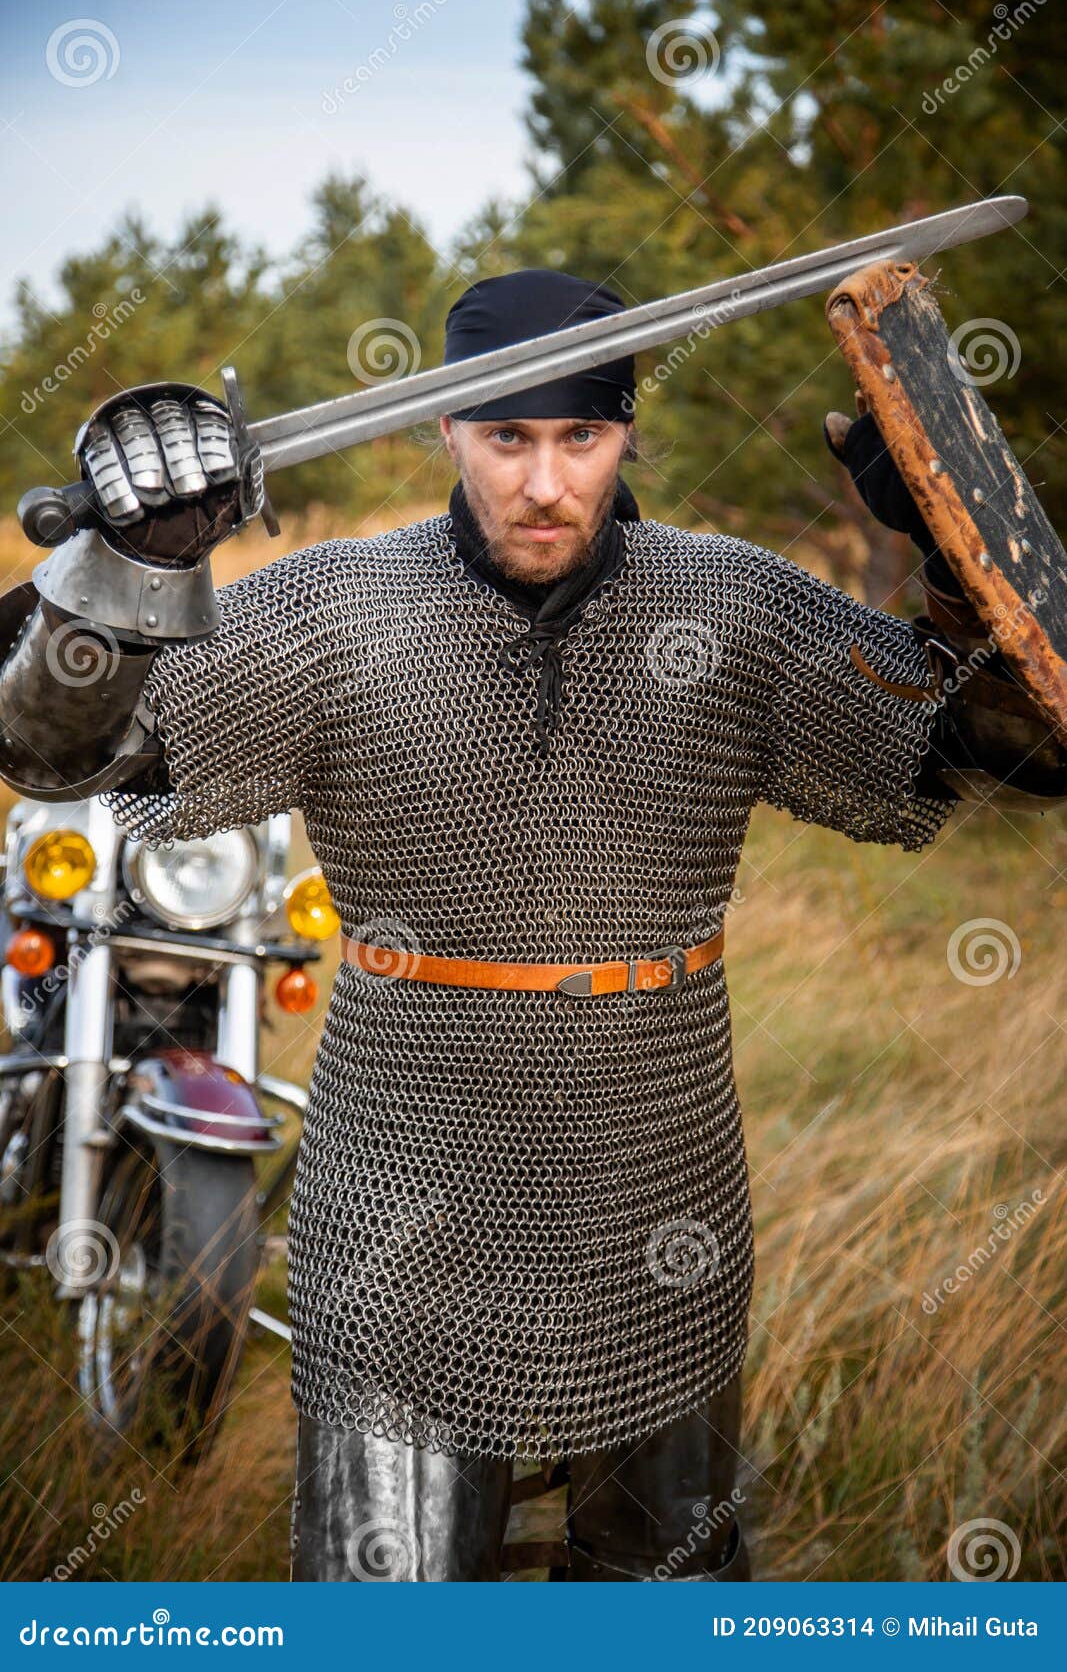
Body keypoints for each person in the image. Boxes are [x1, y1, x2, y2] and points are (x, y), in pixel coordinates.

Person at [1, 269, 1064, 1582]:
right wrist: (128, 571)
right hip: (402, 1212)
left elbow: (1005, 751)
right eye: (507, 437)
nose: (546, 483)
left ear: (626, 434)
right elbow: (58, 753)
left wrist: (967, 572)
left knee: (657, 1608)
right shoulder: (335, 609)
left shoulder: (730, 607)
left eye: (583, 436)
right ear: (448, 429)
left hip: (660, 1211)